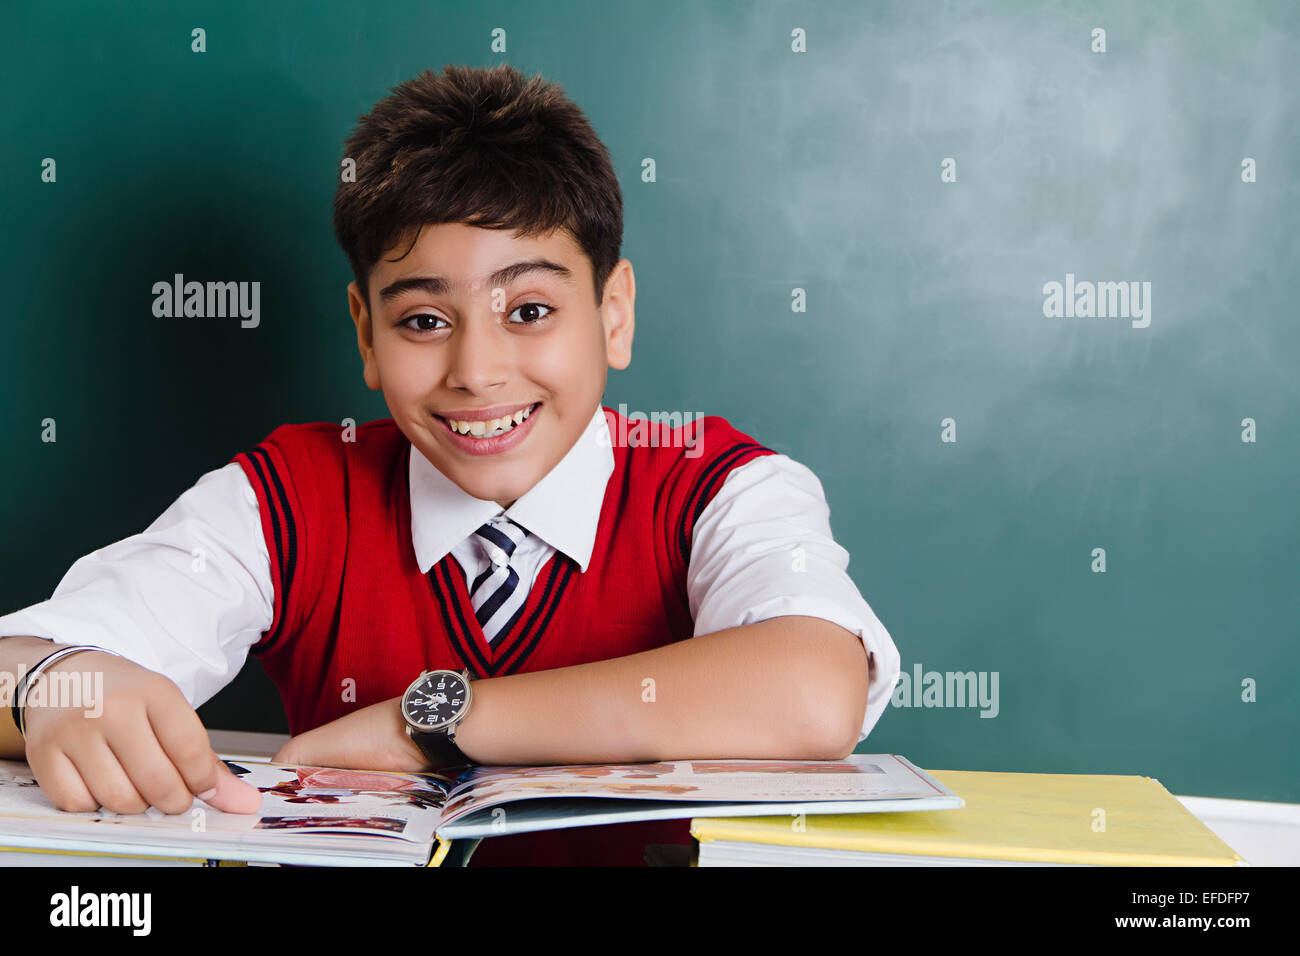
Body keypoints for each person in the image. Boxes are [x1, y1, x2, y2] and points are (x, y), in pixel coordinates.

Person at [0, 63, 900, 866]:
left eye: (531, 310)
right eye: (425, 320)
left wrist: (432, 722)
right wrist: (53, 683)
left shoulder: (713, 483)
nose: (477, 371)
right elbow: (17, 661)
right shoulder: (291, 495)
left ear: (614, 312)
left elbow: (813, 687)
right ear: (366, 332)